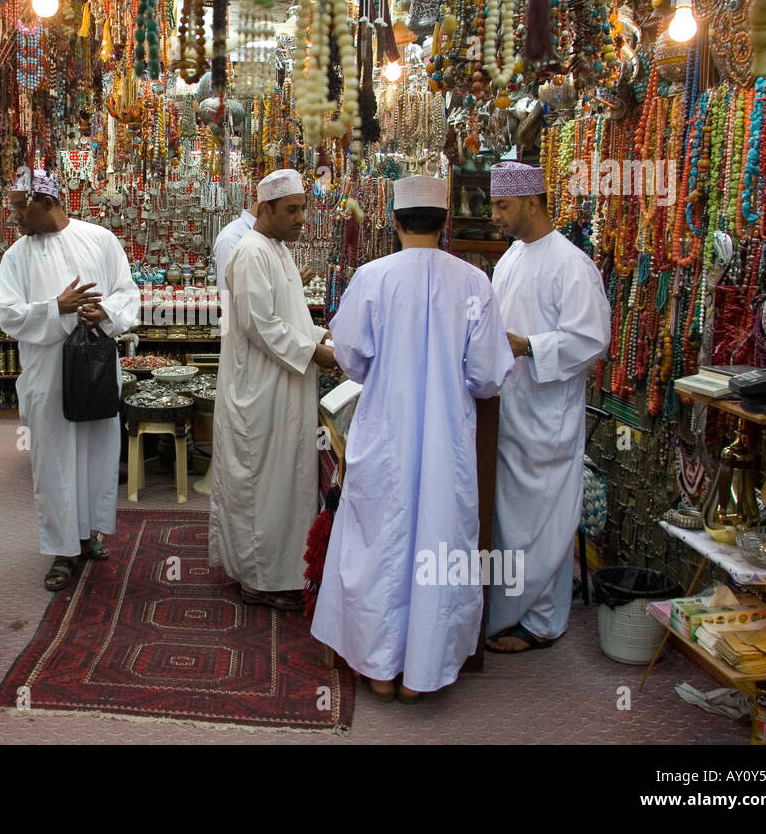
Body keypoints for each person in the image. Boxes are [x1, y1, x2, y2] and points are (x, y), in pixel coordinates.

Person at [310, 176, 514, 702]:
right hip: (447, 442)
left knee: (380, 542)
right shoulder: (474, 283)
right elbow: (490, 374)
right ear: (446, 223)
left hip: (385, 436)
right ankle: (420, 675)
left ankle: (379, 670)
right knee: (438, 546)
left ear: (395, 221)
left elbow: (352, 359)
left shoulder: (372, 278)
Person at [484, 161, 611, 652]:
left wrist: (530, 346)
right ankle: (509, 608)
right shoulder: (512, 256)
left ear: (532, 203)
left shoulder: (571, 263)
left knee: (543, 517)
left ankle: (539, 621)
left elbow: (591, 339)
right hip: (510, 406)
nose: (496, 215)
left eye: (503, 205)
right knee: (509, 518)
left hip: (547, 413)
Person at [0, 168, 140, 591]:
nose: (16, 219)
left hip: (96, 368)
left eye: (21, 208)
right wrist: (55, 307)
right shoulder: (15, 256)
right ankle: (62, 550)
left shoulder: (100, 239)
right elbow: (9, 315)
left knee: (96, 450)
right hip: (47, 374)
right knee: (55, 459)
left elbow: (127, 293)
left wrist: (105, 313)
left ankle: (87, 535)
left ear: (47, 202)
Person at [209, 168, 338, 611]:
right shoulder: (250, 252)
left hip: (286, 385)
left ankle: (281, 572)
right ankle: (257, 580)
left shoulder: (277, 250)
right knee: (259, 484)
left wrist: (321, 337)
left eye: (303, 208)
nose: (302, 218)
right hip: (260, 393)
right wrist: (316, 352)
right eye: (292, 210)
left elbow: (290, 318)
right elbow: (259, 325)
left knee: (284, 482)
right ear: (264, 209)